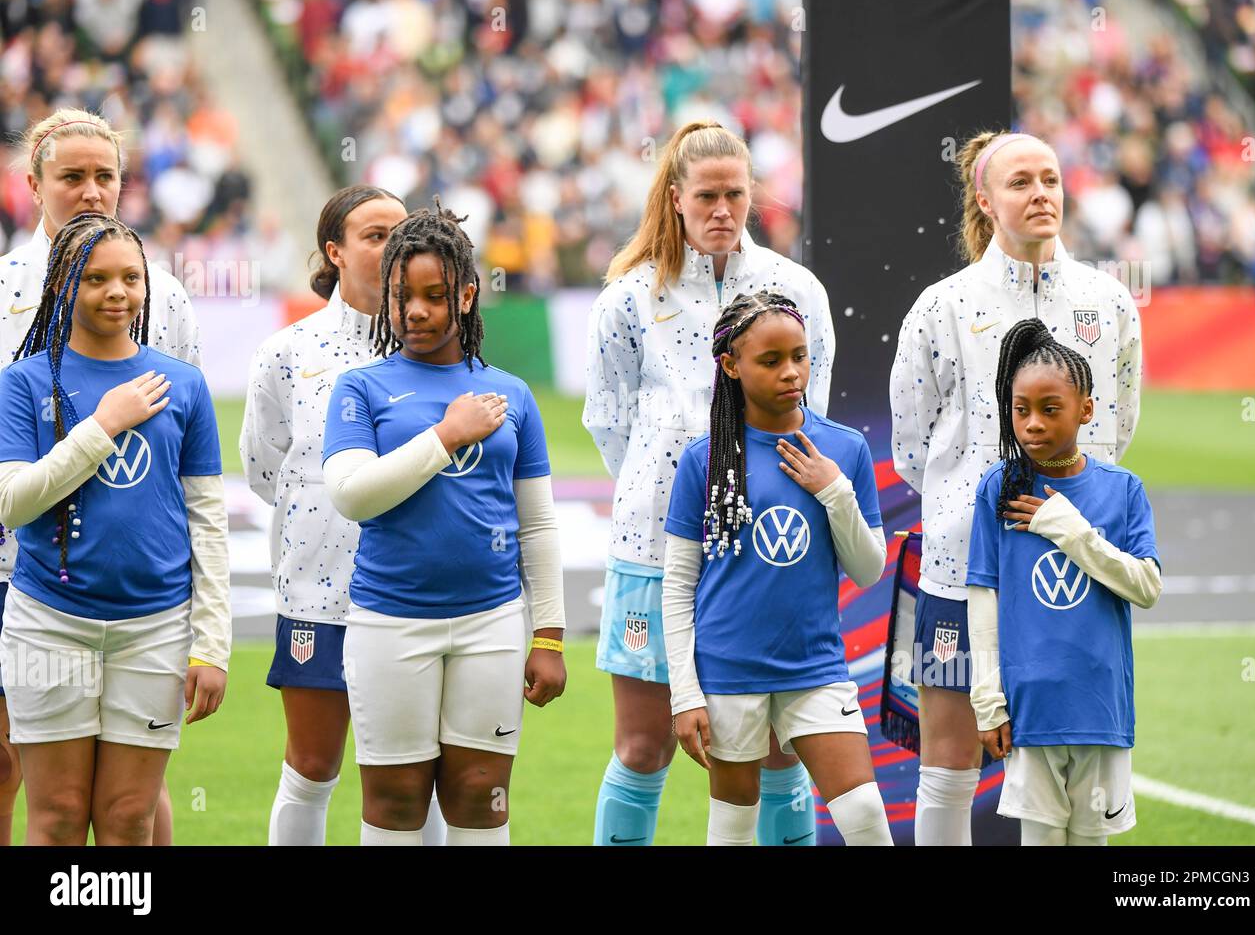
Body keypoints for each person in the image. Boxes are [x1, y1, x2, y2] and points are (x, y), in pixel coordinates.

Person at [584, 120, 836, 846]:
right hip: (651, 546)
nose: (723, 210)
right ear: (675, 196)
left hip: (768, 550)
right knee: (642, 746)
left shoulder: (795, 288)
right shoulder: (629, 298)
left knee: (777, 746)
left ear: (752, 193)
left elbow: (807, 410)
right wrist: (672, 489)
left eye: (735, 194)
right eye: (707, 196)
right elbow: (610, 426)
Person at [888, 131, 1143, 845]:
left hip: (1074, 567)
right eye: (1021, 182)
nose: (1041, 194)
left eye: (1051, 179)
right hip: (958, 566)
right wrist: (969, 502)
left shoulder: (1110, 301)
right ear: (985, 198)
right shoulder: (943, 305)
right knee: (948, 759)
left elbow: (1116, 429)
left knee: (1074, 760)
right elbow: (913, 445)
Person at [322, 203, 566, 846]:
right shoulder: (359, 387)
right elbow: (352, 496)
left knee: (479, 801)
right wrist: (445, 435)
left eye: (434, 296)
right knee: (395, 802)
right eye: (402, 296)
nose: (416, 312)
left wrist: (549, 636)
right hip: (388, 621)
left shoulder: (511, 393)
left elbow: (537, 526)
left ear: (466, 293)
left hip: (492, 623)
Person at [0, 108, 201, 846]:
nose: (90, 191)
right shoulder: (2, 285)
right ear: (32, 184)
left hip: (129, 577)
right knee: (7, 764)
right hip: (16, 567)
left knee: (137, 793)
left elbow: (184, 440)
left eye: (105, 176)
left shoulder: (165, 292)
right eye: (71, 176)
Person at [241, 185, 451, 845]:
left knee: (423, 777)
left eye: (403, 232)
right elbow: (264, 467)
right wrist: (330, 518)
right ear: (335, 251)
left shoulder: (439, 348)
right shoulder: (288, 352)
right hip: (318, 592)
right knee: (311, 766)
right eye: (375, 234)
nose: (394, 246)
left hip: (422, 593)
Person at [663, 292, 893, 845]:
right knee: (733, 830)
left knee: (864, 815)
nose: (791, 372)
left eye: (800, 356)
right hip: (728, 672)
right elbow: (677, 587)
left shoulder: (845, 448)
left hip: (813, 667)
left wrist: (833, 489)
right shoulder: (704, 457)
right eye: (770, 361)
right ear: (731, 365)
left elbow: (868, 569)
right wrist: (685, 695)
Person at [966, 318, 1161, 845]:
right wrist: (988, 702)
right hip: (1031, 711)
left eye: (1050, 409)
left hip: (1100, 709)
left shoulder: (1123, 491)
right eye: (1020, 409)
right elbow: (984, 600)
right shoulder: (998, 491)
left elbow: (1146, 587)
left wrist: (1071, 530)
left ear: (1086, 409)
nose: (1031, 424)